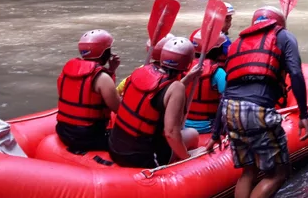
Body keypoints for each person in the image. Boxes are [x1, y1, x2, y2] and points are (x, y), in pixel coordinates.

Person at [207, 5, 308, 198]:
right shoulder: (284, 36)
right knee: (278, 173)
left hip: (230, 110)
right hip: (257, 109)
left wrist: (215, 133)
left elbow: (228, 90)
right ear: (278, 22)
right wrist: (303, 113)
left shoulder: (236, 44)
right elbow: (295, 73)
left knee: (248, 171)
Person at [109, 37, 201, 169]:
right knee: (193, 134)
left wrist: (188, 78)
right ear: (188, 63)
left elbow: (162, 92)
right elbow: (171, 133)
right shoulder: (176, 89)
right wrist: (186, 157)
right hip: (143, 158)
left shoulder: (141, 71)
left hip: (115, 147)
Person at [56, 30, 122, 153]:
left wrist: (111, 70)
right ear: (105, 52)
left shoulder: (66, 71)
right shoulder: (102, 78)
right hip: (88, 137)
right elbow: (118, 109)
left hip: (63, 131)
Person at [184, 30, 227, 135]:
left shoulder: (183, 67)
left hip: (182, 123)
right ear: (218, 50)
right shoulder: (219, 72)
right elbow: (228, 101)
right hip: (208, 126)